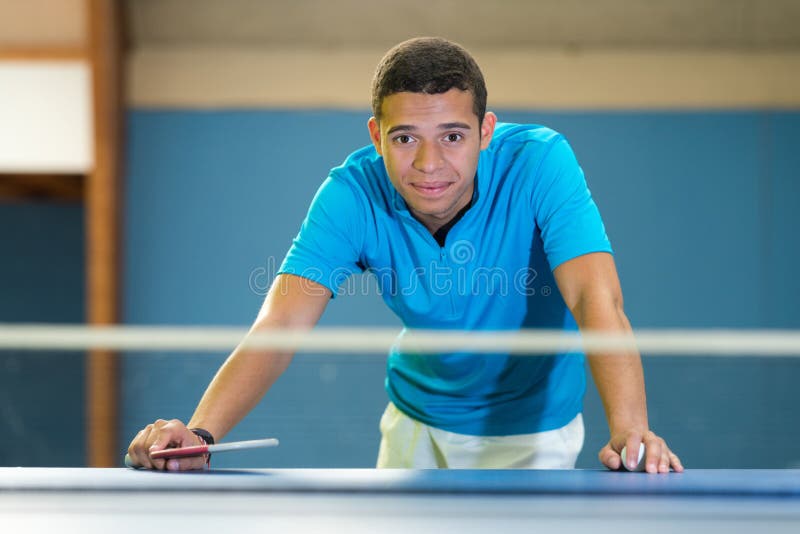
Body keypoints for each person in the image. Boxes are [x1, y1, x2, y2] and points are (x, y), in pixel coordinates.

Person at [127, 37, 683, 474]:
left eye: (452, 135)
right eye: (405, 138)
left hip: (532, 431)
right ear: (376, 135)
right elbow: (282, 321)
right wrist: (198, 437)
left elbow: (596, 298)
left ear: (486, 131)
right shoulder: (350, 194)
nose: (428, 163)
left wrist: (632, 431)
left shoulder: (542, 165)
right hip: (414, 423)